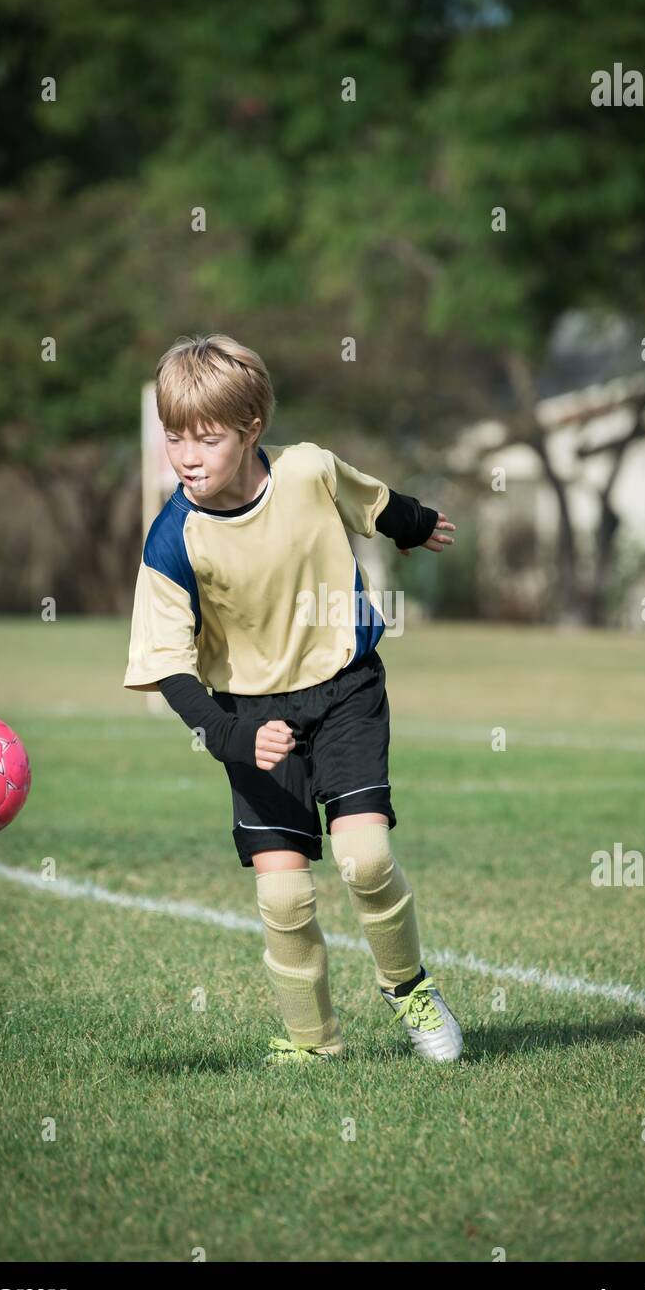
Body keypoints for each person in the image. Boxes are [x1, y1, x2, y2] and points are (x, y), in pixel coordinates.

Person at [124, 333, 464, 1064]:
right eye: (174, 437)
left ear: (251, 431)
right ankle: (314, 1045)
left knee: (366, 859)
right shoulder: (171, 538)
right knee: (282, 898)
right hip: (249, 715)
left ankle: (408, 989)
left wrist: (415, 525)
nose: (186, 456)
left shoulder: (307, 471)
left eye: (206, 439)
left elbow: (374, 502)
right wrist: (230, 737)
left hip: (345, 687)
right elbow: (170, 667)